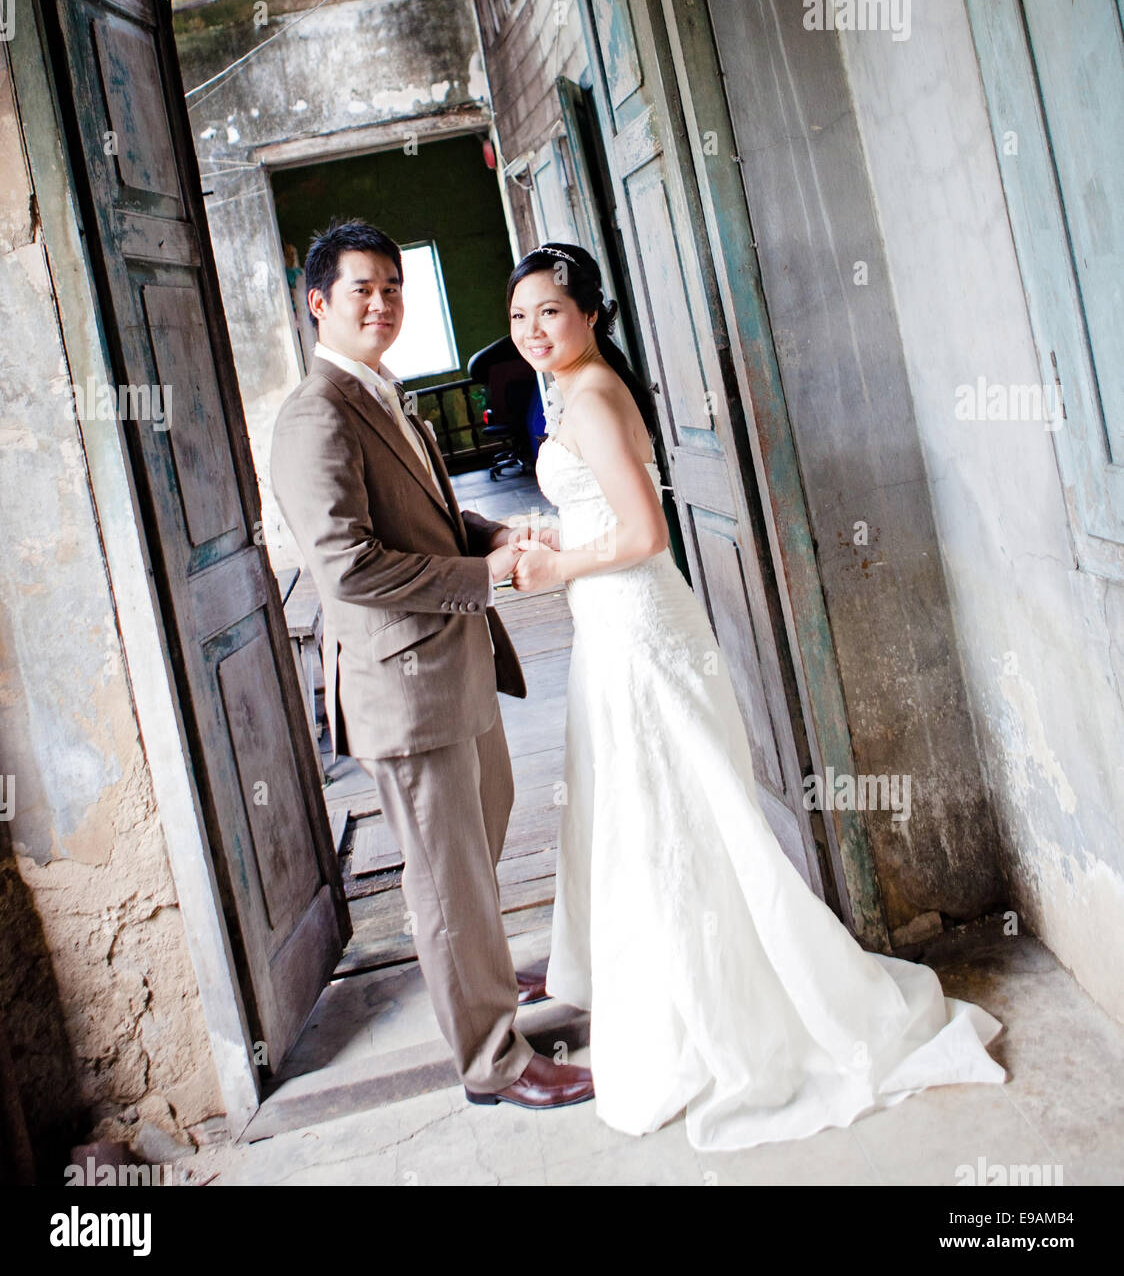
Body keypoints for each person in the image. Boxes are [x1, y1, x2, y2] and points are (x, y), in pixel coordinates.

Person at [506, 241, 1007, 1150]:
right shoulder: (577, 390)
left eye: (550, 310)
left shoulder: (592, 394)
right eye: (519, 316)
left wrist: (554, 567)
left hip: (638, 622)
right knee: (648, 816)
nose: (535, 330)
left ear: (587, 314)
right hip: (612, 626)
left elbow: (646, 532)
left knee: (682, 816)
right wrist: (561, 537)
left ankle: (732, 1022)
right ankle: (673, 1003)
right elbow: (607, 512)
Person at [270, 219, 593, 1111]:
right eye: (360, 290)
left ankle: (484, 980)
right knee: (445, 880)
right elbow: (347, 566)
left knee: (479, 837)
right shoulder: (314, 415)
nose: (381, 303)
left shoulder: (386, 395)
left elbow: (435, 526)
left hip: (453, 669)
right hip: (402, 683)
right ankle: (496, 1064)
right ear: (318, 304)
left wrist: (504, 533)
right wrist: (480, 575)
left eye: (392, 287)